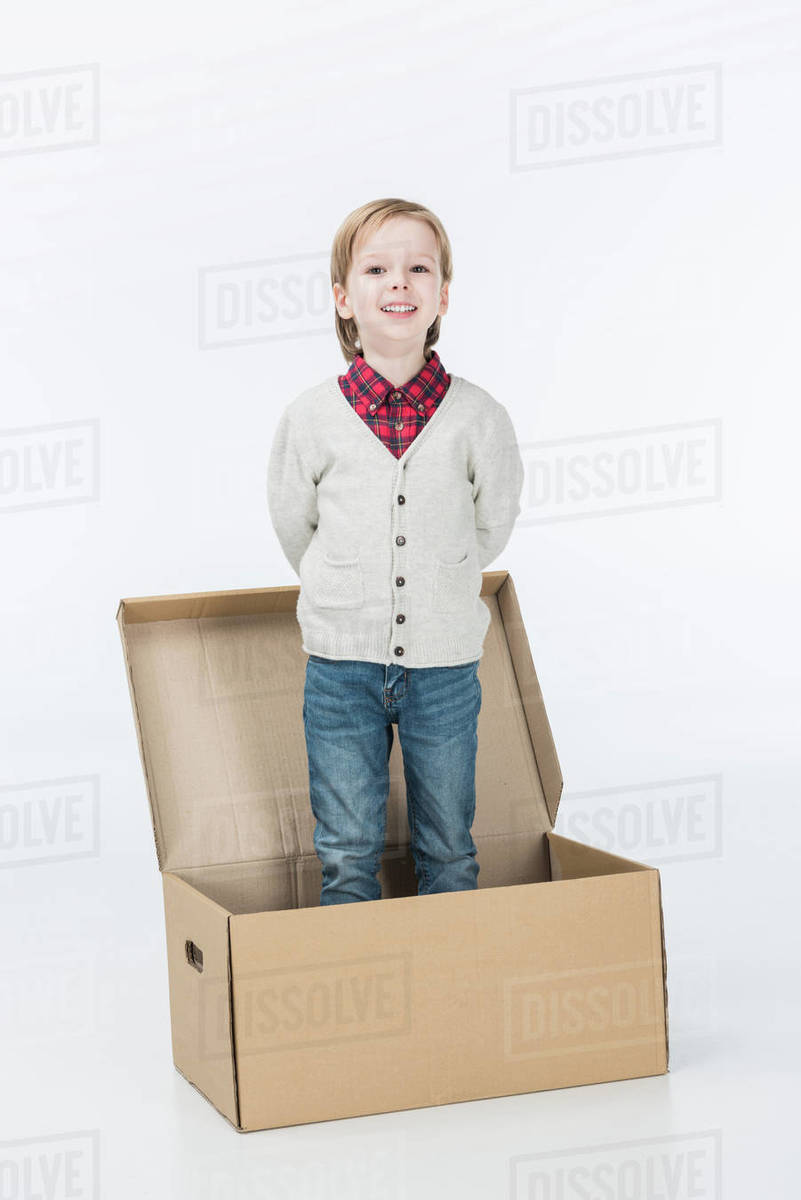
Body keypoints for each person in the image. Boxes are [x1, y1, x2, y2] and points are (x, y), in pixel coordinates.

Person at [267, 197, 524, 905]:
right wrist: (344, 583)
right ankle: (357, 1002)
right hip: (338, 670)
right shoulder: (311, 417)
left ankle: (449, 994)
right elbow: (295, 524)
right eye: (377, 269)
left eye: (418, 268)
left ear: (442, 295)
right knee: (346, 853)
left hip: (444, 668)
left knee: (448, 848)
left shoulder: (478, 417)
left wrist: (440, 579)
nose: (399, 283)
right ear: (345, 298)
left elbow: (490, 521)